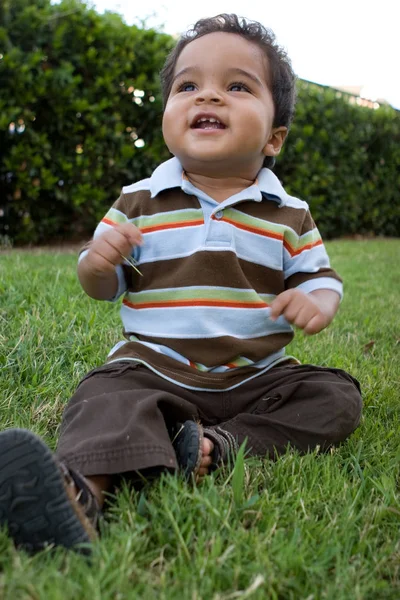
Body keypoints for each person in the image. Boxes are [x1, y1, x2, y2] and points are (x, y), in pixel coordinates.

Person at [0, 13, 362, 554]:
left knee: (335, 396)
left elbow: (321, 278)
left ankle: (218, 445)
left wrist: (317, 299)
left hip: (255, 378)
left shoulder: (289, 214)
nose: (208, 97)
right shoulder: (139, 201)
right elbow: (101, 286)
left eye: (237, 86)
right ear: (167, 111)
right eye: (188, 85)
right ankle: (79, 496)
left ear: (274, 138)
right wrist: (98, 264)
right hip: (153, 368)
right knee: (105, 398)